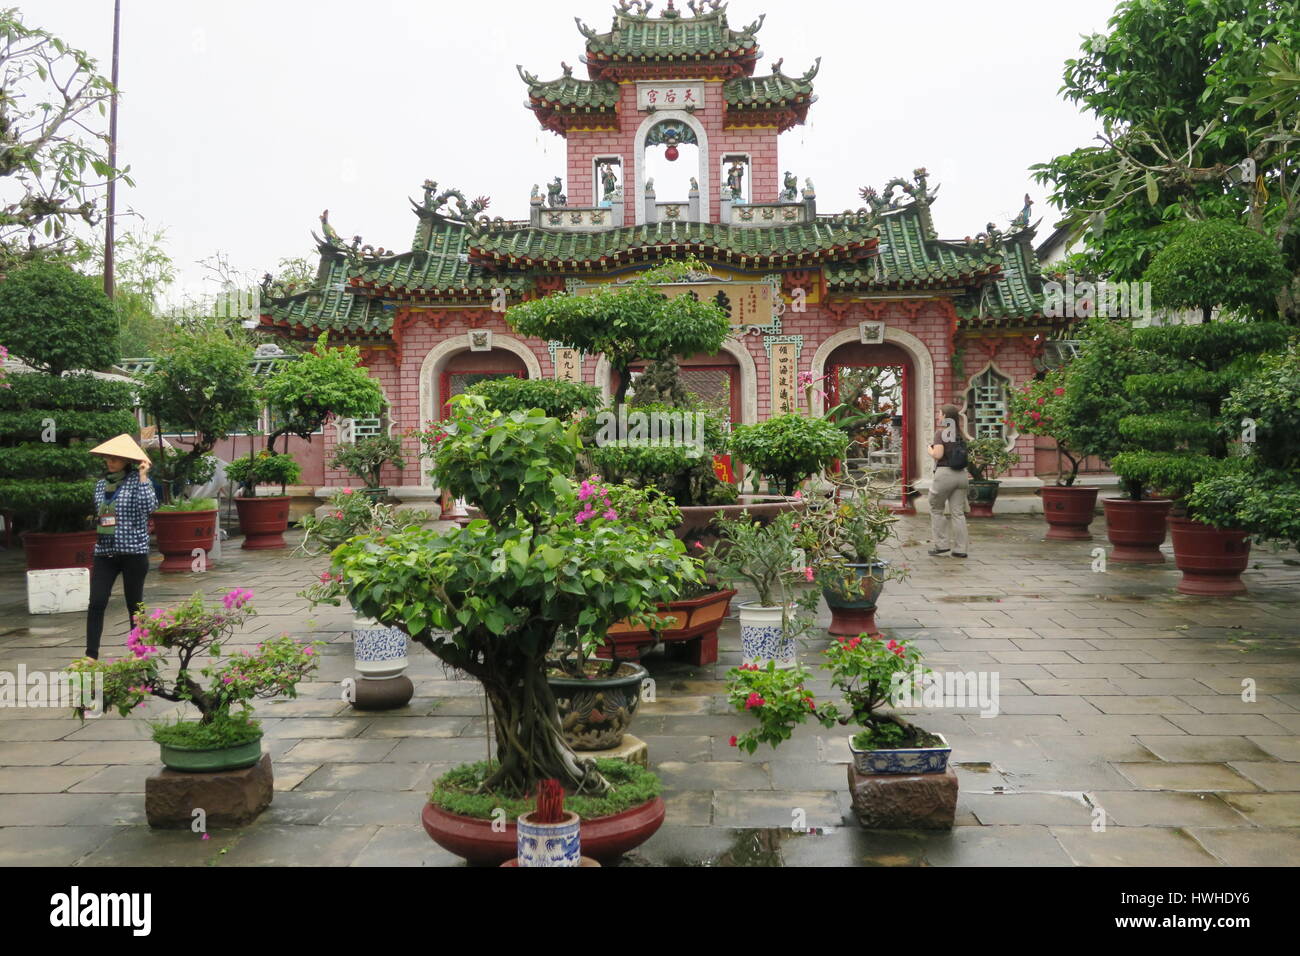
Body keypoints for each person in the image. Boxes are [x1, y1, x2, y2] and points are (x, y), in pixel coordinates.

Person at [84, 434, 157, 659]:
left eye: (116, 458)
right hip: (105, 551)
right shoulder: (100, 485)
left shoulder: (138, 481)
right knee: (96, 602)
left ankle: (139, 653)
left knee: (134, 606)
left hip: (133, 552)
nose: (110, 461)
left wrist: (144, 475)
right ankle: (90, 655)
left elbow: (149, 507)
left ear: (127, 460)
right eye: (108, 457)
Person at [928, 404, 969, 558]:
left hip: (945, 475)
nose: (938, 416)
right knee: (958, 513)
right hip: (962, 476)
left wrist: (929, 449)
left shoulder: (941, 433)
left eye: (939, 413)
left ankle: (942, 545)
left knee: (936, 508)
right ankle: (960, 549)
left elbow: (938, 455)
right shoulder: (961, 434)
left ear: (945, 416)